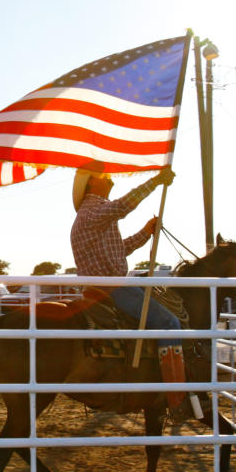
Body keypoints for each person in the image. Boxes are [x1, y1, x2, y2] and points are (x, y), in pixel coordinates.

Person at [69, 165, 190, 415]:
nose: (110, 177)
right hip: (112, 287)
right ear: (92, 183)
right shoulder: (95, 211)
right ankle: (176, 396)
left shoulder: (91, 215)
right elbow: (123, 207)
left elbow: (119, 249)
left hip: (100, 287)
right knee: (169, 322)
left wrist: (145, 233)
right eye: (103, 175)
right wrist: (155, 181)